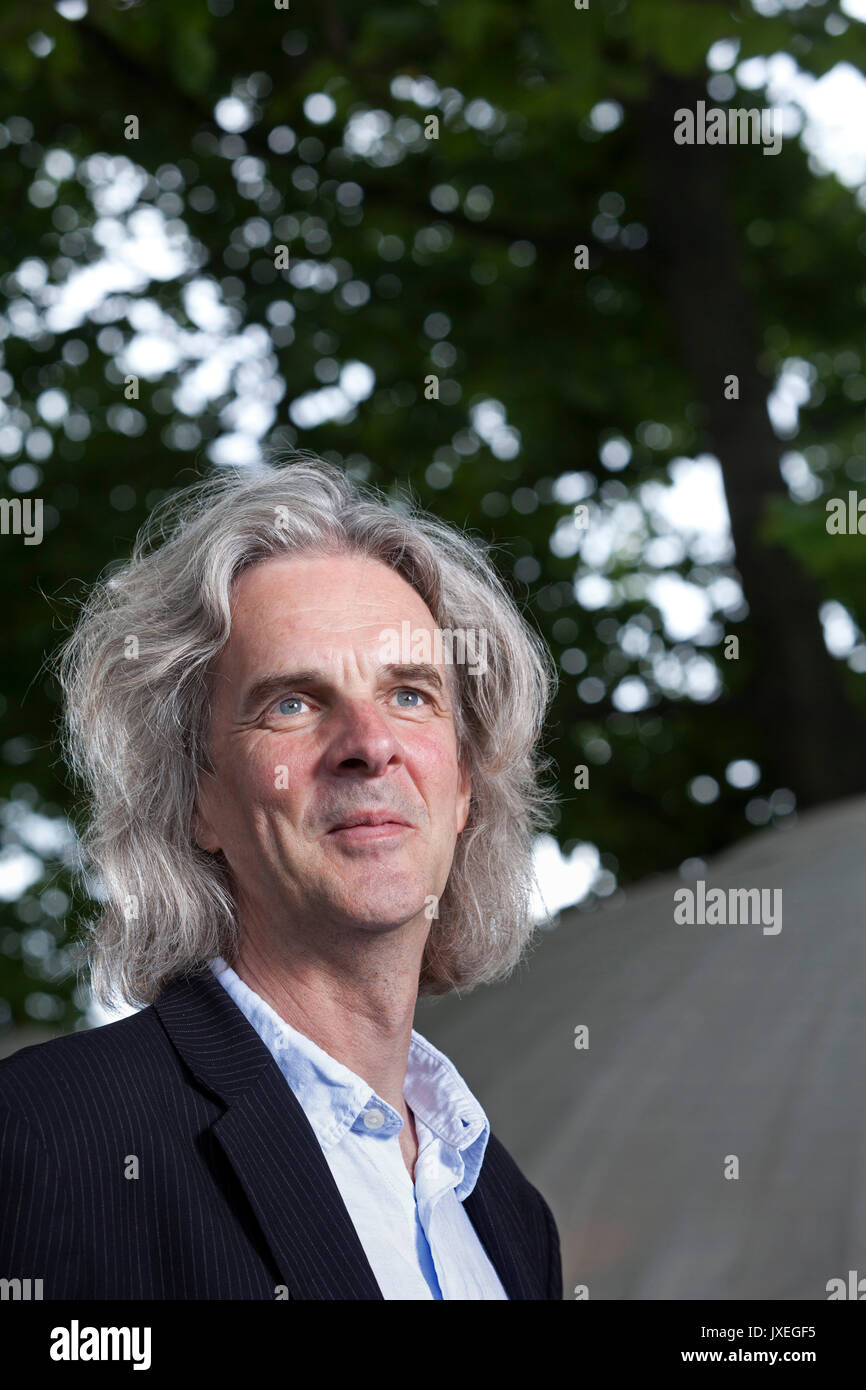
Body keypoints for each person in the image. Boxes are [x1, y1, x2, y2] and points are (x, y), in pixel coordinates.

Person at [0, 455, 562, 1300]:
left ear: (465, 788)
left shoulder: (509, 1213)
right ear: (197, 800)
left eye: (411, 695)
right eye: (292, 703)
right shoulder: (42, 1139)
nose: (371, 744)